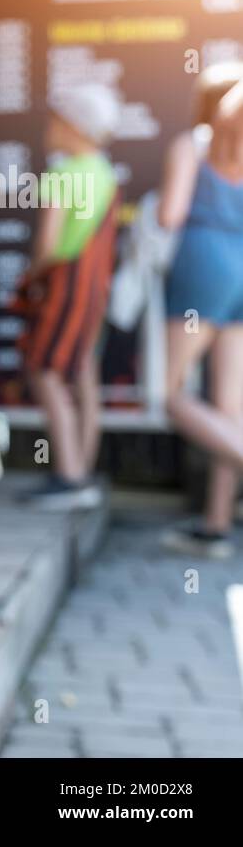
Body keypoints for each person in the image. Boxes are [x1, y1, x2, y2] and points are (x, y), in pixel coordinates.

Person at [14, 84, 122, 510]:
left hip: (64, 289)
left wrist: (33, 275)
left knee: (45, 372)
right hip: (94, 291)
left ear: (74, 126)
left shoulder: (64, 174)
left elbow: (48, 244)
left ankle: (70, 476)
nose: (49, 126)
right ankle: (83, 469)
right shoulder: (105, 174)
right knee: (83, 374)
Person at [159, 64, 243, 559]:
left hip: (203, 266)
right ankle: (215, 525)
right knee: (229, 406)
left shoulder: (193, 144)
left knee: (169, 394)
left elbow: (170, 215)